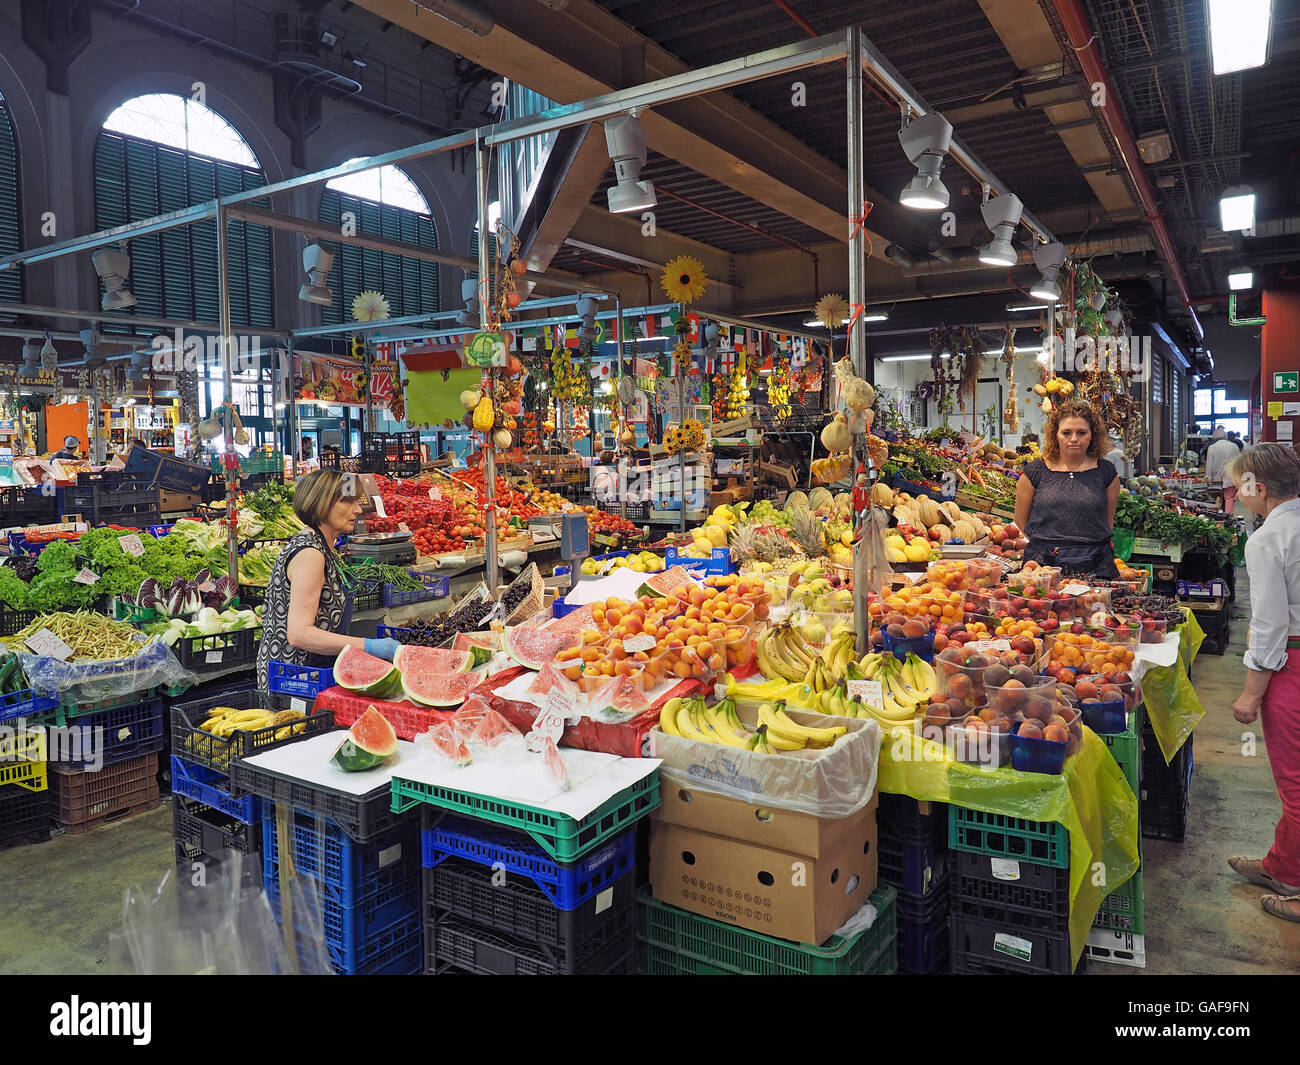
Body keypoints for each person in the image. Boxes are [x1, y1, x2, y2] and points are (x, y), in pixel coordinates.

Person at [1226, 444, 1300, 922]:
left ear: (1261, 489)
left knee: (1295, 785)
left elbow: (1270, 623)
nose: (1235, 493)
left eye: (1239, 485)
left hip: (1293, 666)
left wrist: (1252, 691)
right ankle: (1284, 867)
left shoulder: (1268, 538)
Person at [254, 469, 399, 690]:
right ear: (322, 503)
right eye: (347, 502)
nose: (358, 510)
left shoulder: (323, 545)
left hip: (315, 672)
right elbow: (299, 634)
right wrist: (368, 646)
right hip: (294, 680)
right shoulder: (310, 554)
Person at [1013, 401, 1121, 577]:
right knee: (1044, 605)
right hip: (1042, 566)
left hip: (1096, 565)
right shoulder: (1035, 472)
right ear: (1056, 434)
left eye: (1082, 432)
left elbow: (1106, 523)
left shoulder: (1106, 472)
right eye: (1066, 432)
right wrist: (1047, 544)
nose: (1074, 439)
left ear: (1092, 435)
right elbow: (1020, 520)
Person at [1205, 428, 1241, 514]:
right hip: (1231, 476)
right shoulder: (1234, 446)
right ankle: (1229, 518)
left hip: (1216, 478)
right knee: (1229, 498)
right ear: (1225, 436)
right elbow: (1239, 462)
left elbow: (1209, 464)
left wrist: (1208, 477)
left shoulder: (1212, 447)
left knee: (1216, 499)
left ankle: (1217, 516)